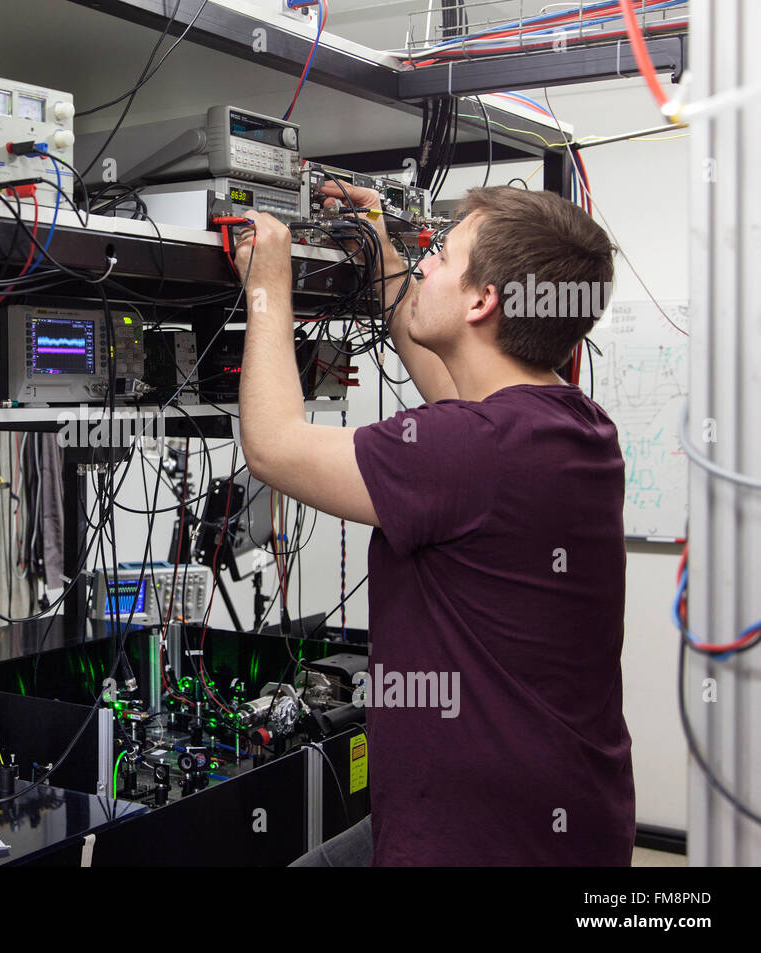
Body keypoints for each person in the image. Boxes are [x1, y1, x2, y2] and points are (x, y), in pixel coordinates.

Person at [233, 184, 635, 866]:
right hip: (565, 814)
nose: (425, 266)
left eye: (441, 258)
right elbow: (453, 387)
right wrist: (384, 248)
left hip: (477, 837)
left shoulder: (466, 450)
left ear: (482, 302)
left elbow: (273, 444)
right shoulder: (571, 424)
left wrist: (269, 286)